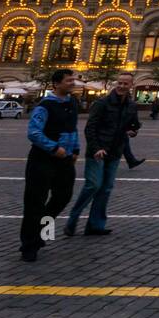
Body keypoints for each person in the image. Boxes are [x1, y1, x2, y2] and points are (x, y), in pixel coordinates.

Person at [66, 73, 140, 237]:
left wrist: (133, 131)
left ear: (131, 86)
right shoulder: (102, 103)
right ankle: (73, 218)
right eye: (119, 83)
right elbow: (90, 128)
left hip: (115, 152)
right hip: (98, 152)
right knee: (93, 185)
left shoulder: (131, 106)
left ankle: (95, 225)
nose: (121, 86)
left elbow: (134, 124)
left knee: (106, 189)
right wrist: (96, 148)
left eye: (125, 84)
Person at [19, 69, 80, 261]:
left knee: (63, 196)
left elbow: (73, 128)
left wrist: (76, 149)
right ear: (56, 84)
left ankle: (39, 231)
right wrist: (53, 148)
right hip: (43, 159)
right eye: (69, 80)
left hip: (66, 159)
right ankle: (29, 245)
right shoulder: (44, 105)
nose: (73, 83)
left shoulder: (72, 102)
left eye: (73, 80)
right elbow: (34, 133)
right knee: (35, 202)